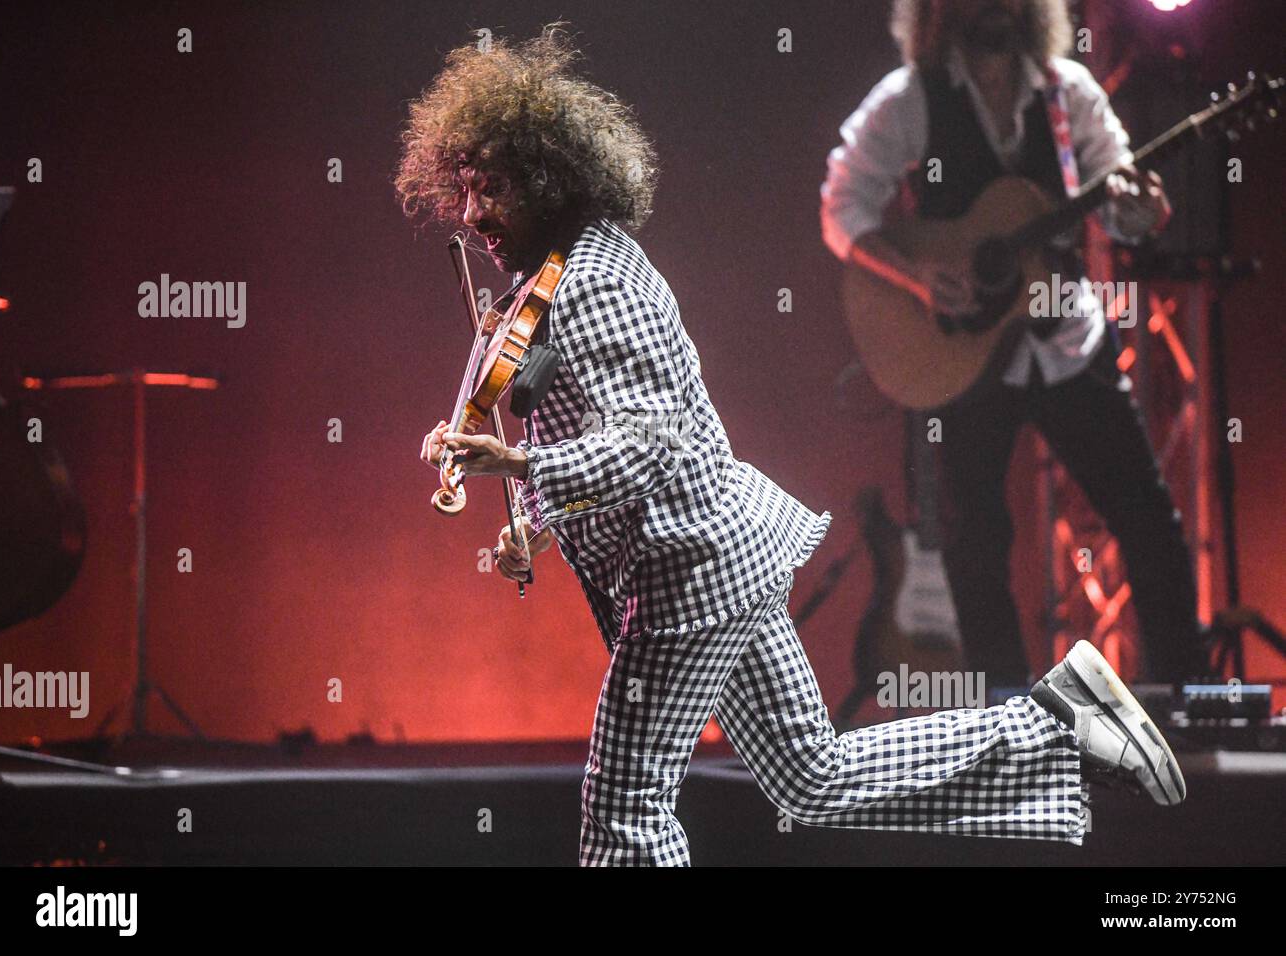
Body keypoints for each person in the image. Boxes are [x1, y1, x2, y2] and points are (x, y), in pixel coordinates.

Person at [407, 24, 1184, 867]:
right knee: (812, 775)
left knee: (624, 806)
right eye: (466, 191)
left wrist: (518, 465)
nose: (475, 213)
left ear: (550, 176)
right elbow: (583, 432)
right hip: (717, 558)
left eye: (494, 189)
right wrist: (533, 516)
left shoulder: (591, 281)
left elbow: (647, 446)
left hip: (689, 570)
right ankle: (1056, 718)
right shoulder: (551, 279)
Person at [821, 0, 1205, 688]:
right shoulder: (910, 99)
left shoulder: (1069, 95)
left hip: (1066, 339)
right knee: (975, 545)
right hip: (960, 355)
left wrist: (1139, 210)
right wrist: (916, 277)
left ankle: (1189, 710)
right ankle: (1006, 728)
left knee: (1148, 522)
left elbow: (1123, 204)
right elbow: (842, 207)